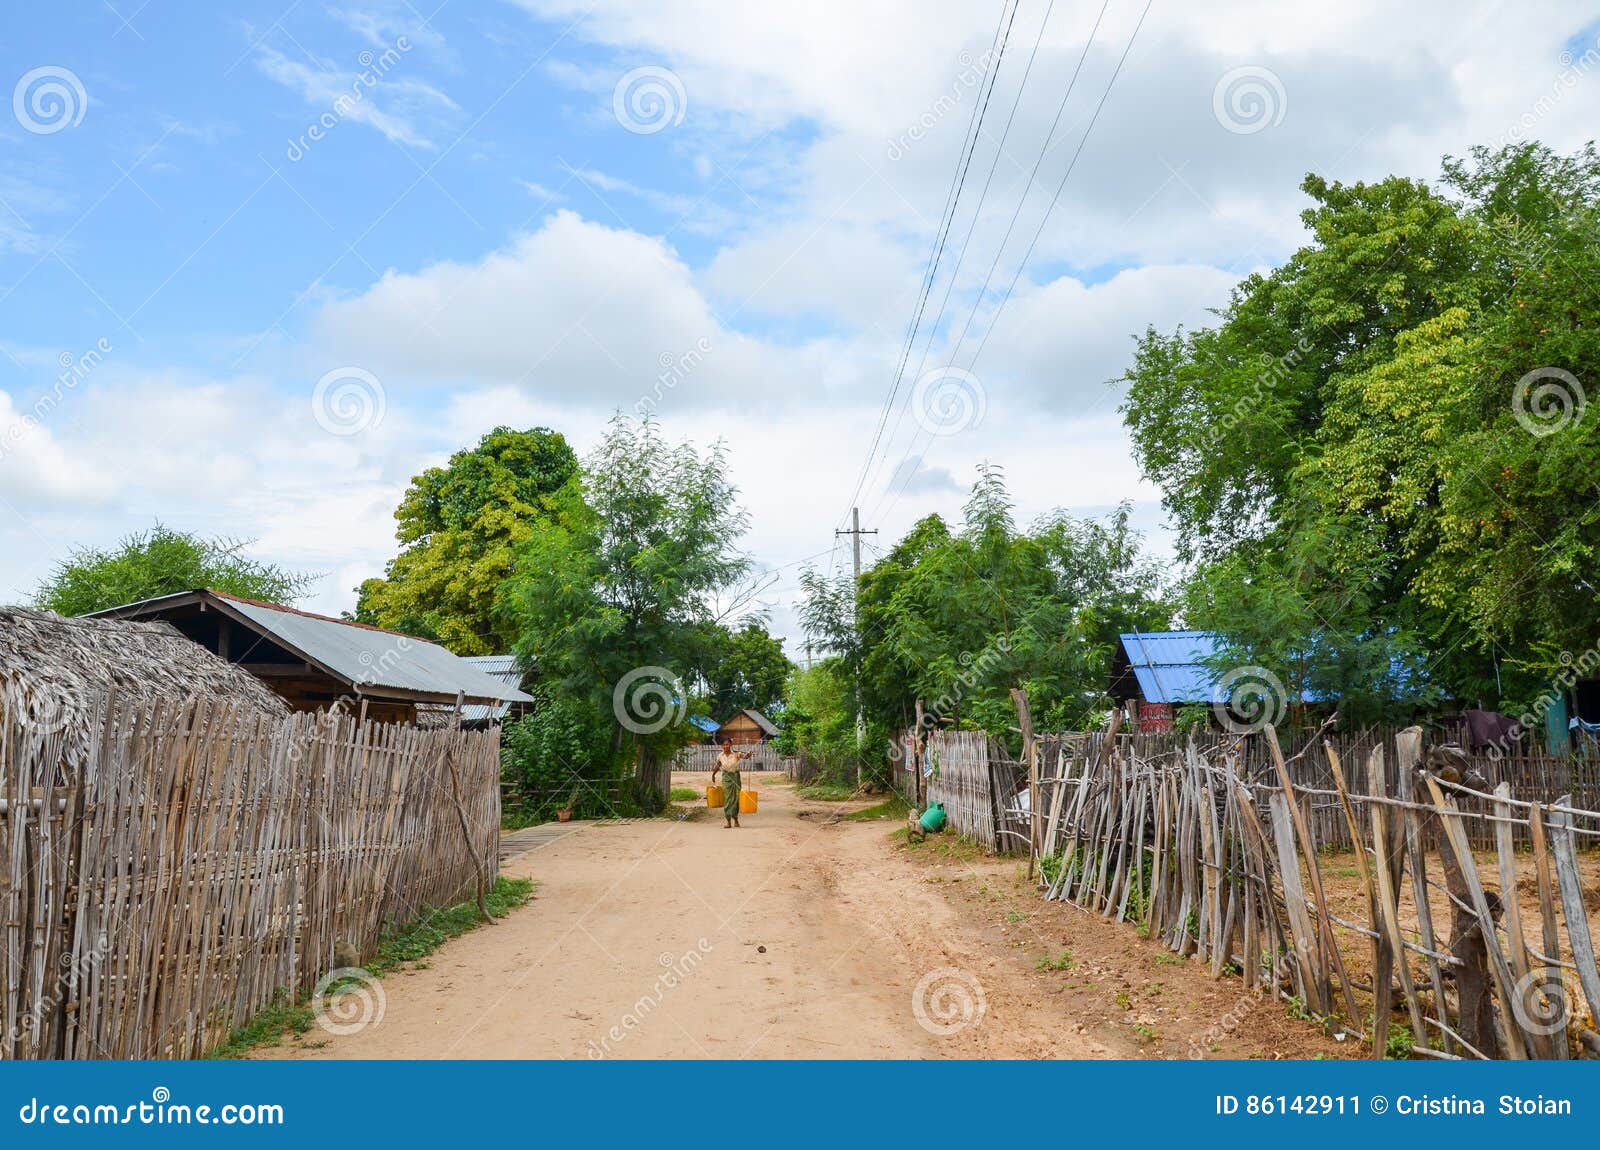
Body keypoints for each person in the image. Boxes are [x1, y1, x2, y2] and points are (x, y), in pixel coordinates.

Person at [710, 739, 753, 828]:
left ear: (731, 745)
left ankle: (736, 819)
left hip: (736, 777)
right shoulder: (720, 756)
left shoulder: (736, 754)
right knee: (728, 799)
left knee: (736, 799)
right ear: (722, 746)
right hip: (726, 778)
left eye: (727, 744)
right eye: (724, 745)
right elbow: (718, 765)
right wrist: (713, 775)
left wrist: (748, 754)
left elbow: (745, 757)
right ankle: (728, 821)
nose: (726, 746)